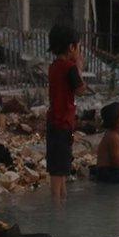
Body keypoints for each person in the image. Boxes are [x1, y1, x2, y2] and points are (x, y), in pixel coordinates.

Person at [46, 24, 87, 202]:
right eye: (78, 47)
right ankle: (57, 205)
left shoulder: (54, 66)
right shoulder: (69, 67)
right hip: (62, 122)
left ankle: (60, 201)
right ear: (71, 47)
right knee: (59, 169)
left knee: (59, 167)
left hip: (54, 121)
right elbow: (80, 90)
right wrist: (79, 67)